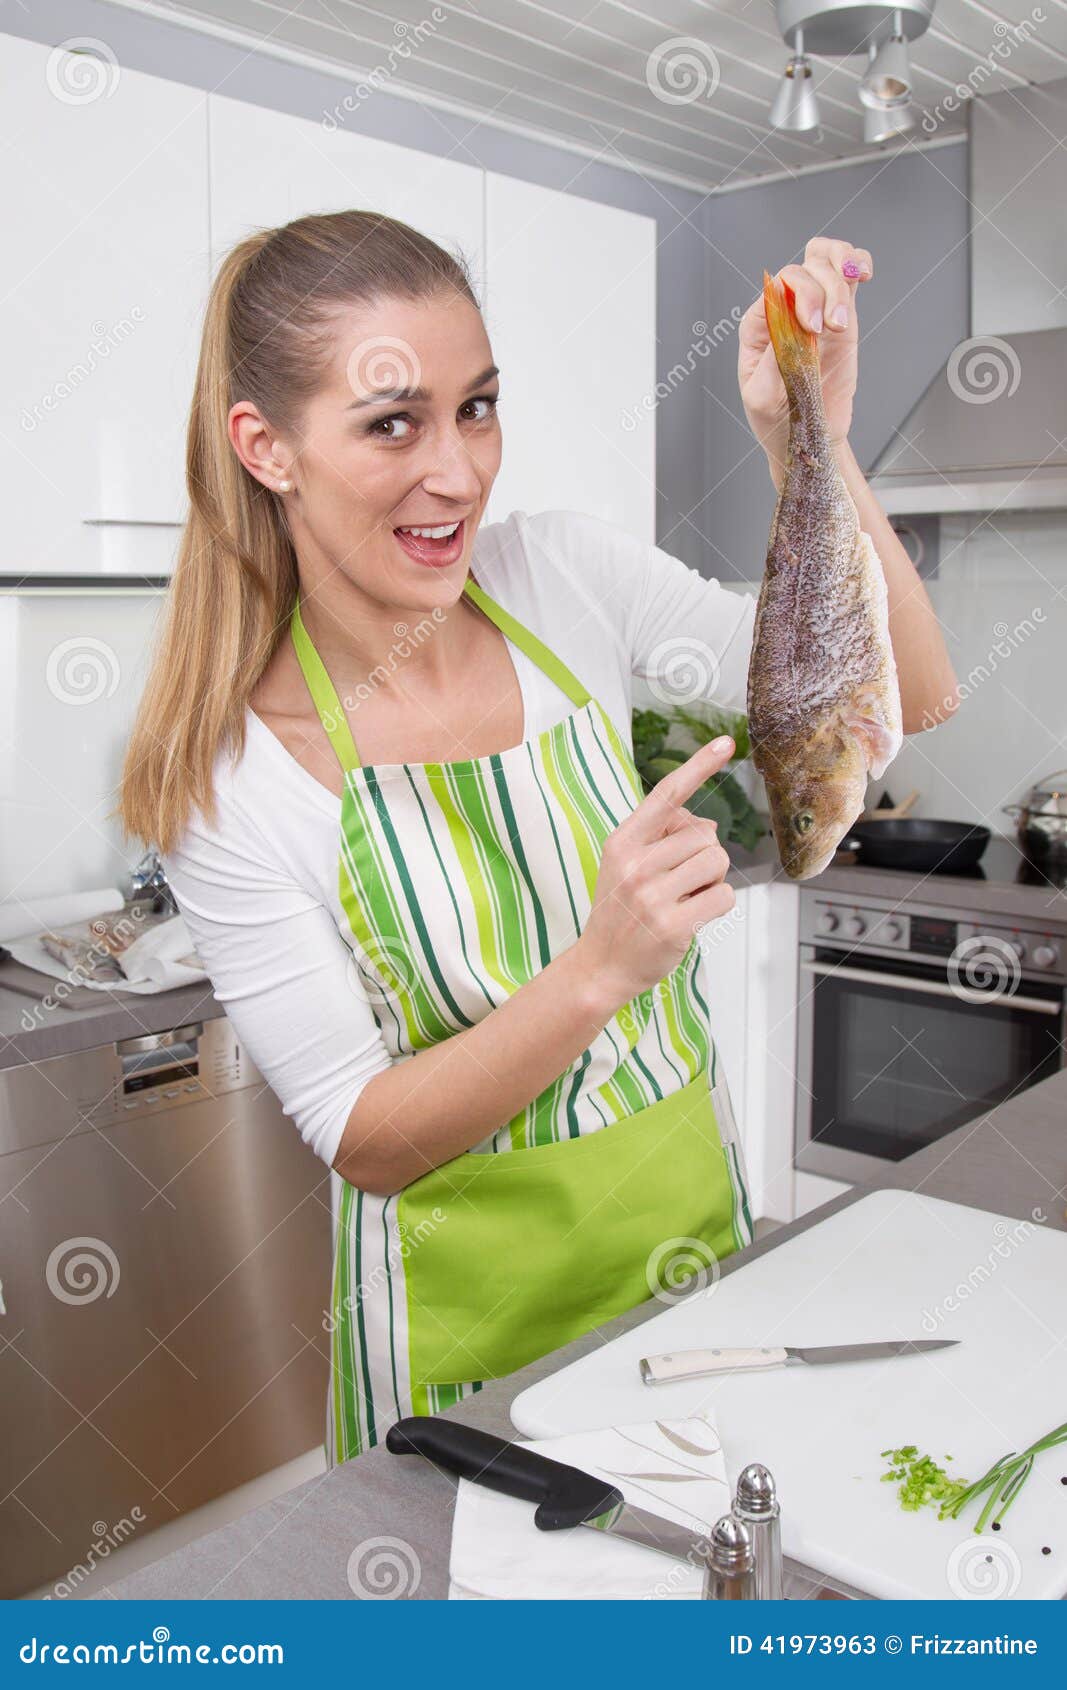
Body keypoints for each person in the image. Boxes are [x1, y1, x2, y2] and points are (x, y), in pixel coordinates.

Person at [119, 213, 956, 1465]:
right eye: (391, 421)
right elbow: (365, 1135)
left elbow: (903, 698)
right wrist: (597, 973)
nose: (457, 473)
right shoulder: (229, 779)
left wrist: (811, 444)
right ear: (268, 448)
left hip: (692, 1266)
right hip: (467, 1339)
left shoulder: (564, 580)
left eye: (478, 408)